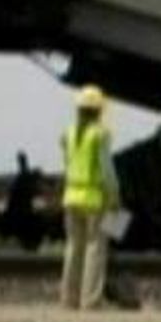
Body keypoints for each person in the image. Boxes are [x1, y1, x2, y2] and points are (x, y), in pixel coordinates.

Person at [59, 86, 122, 310]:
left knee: (73, 248)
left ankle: (69, 299)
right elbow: (107, 170)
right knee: (95, 249)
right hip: (94, 199)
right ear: (98, 111)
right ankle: (90, 300)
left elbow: (67, 165)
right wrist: (114, 196)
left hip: (70, 197)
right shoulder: (100, 134)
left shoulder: (68, 133)